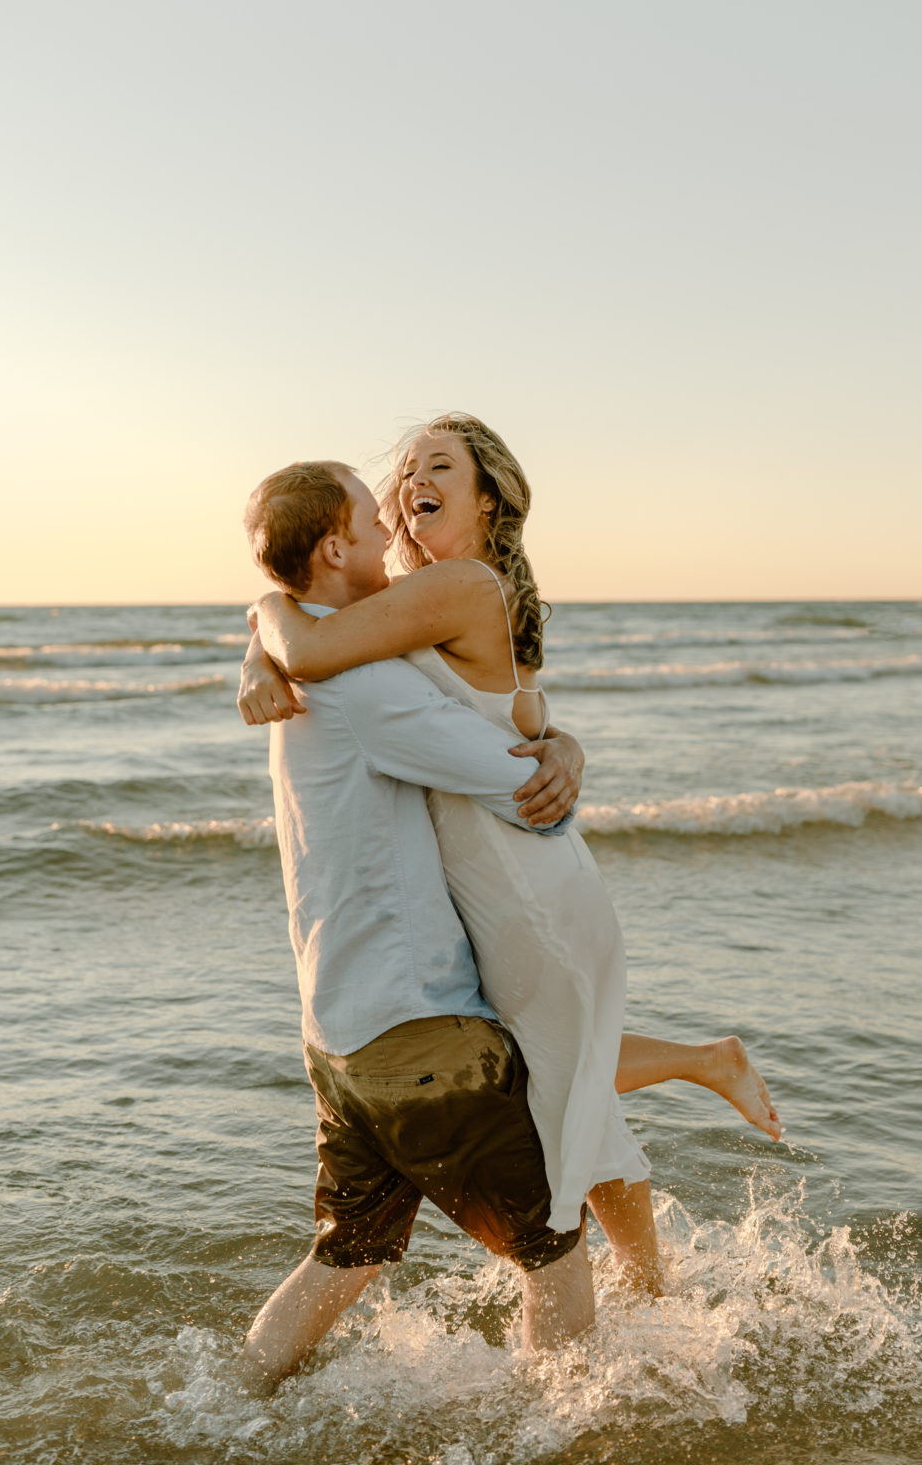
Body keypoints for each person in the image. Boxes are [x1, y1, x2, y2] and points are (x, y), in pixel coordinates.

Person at [241, 416, 781, 1307]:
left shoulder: (458, 584)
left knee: (556, 1079)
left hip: (518, 875)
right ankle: (654, 1287)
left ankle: (664, 1212)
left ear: (487, 493)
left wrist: (263, 631)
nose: (409, 481)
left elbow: (312, 638)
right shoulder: (422, 590)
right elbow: (503, 711)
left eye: (438, 466)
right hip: (485, 873)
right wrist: (565, 744)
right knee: (562, 1089)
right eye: (405, 468)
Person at [236, 459, 597, 1395]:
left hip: (338, 1041)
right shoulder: (365, 688)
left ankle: (229, 1404)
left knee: (345, 1256)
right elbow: (526, 797)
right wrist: (558, 760)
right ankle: (570, 1427)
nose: (389, 530)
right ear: (334, 548)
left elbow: (291, 626)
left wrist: (261, 625)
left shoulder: (303, 665)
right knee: (555, 1245)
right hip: (420, 1033)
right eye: (370, 517)